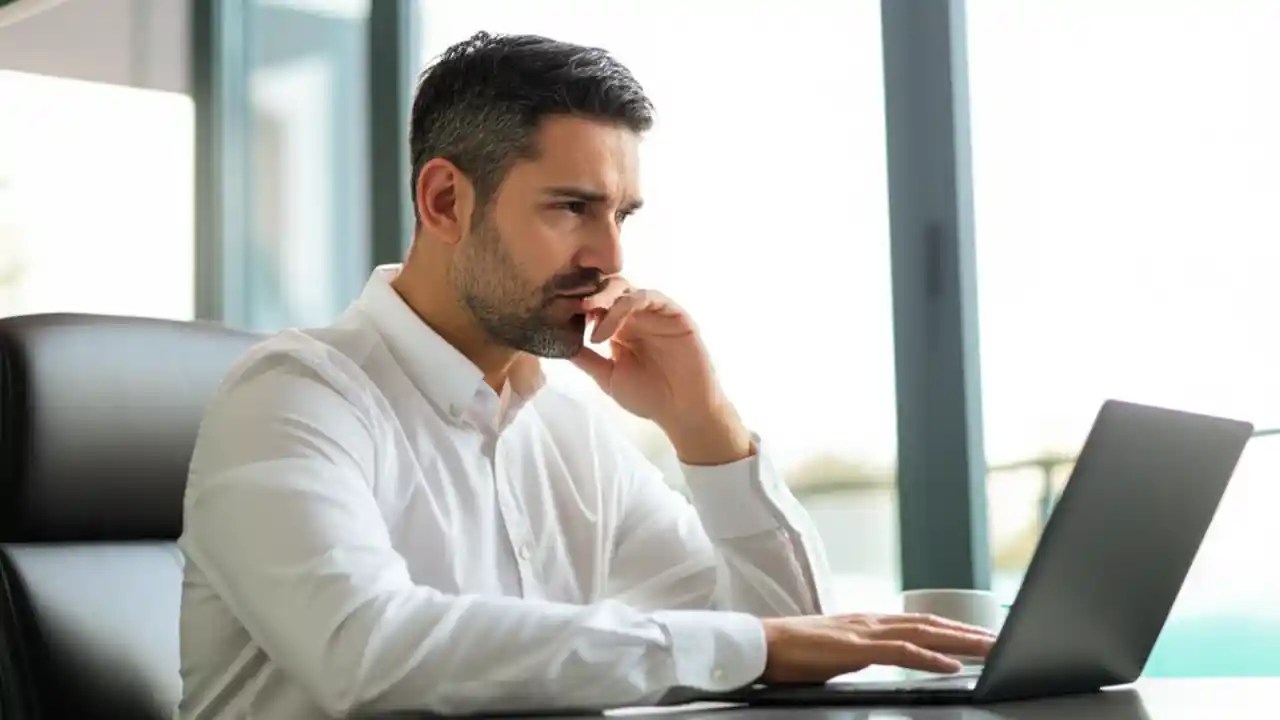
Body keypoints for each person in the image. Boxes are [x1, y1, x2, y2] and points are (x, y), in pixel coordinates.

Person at [177, 31, 995, 719]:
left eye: (621, 215)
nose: (611, 257)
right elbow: (366, 650)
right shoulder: (293, 395)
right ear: (445, 203)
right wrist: (753, 647)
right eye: (572, 208)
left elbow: (785, 636)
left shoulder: (564, 431)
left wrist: (706, 429)